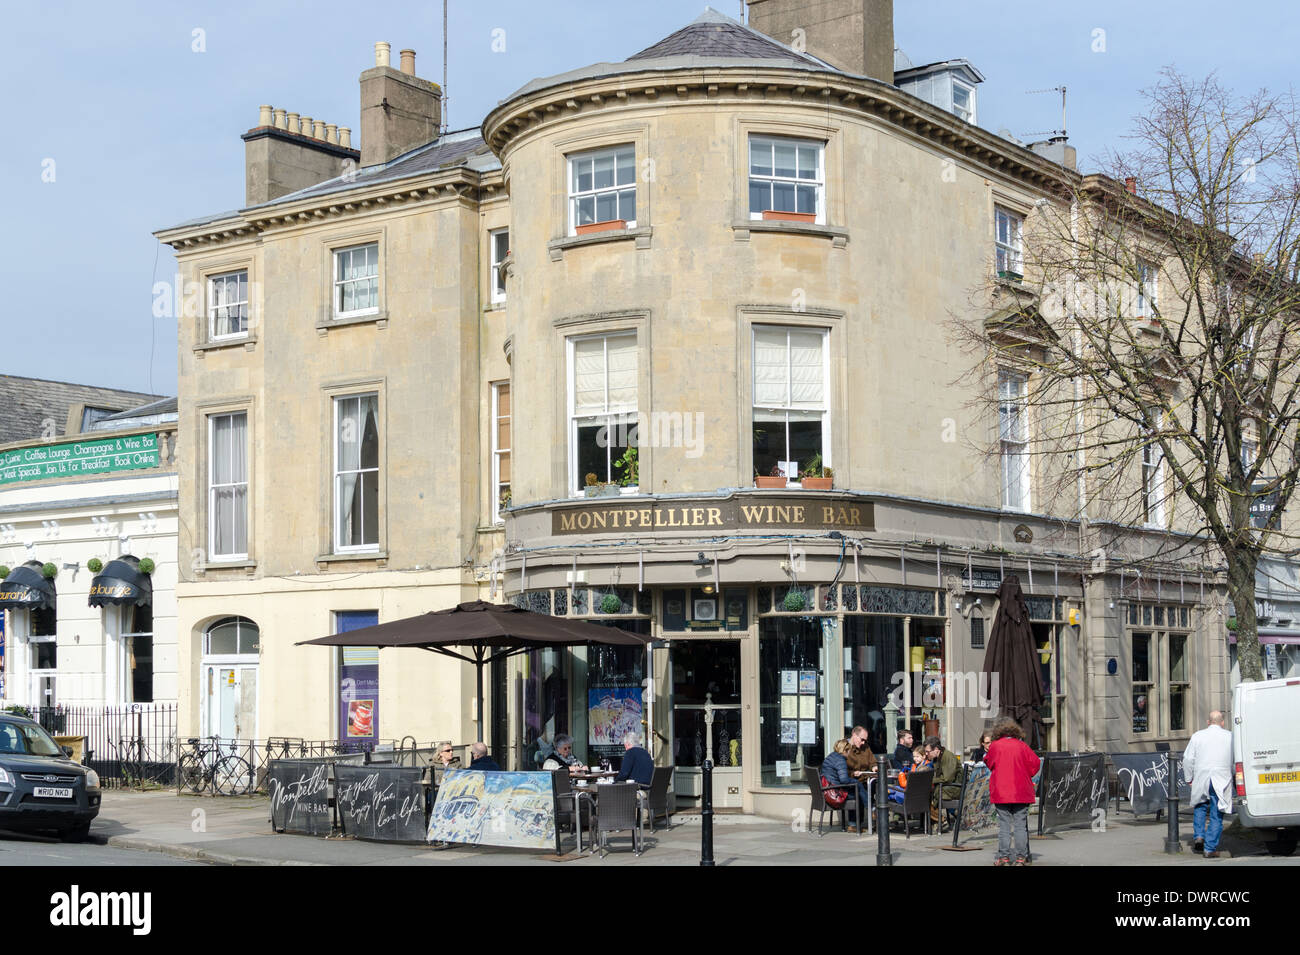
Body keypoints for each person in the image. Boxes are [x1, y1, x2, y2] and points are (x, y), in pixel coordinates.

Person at [984, 716, 1040, 866]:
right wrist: (1027, 774)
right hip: (1021, 791)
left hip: (1001, 791)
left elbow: (989, 763)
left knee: (1004, 825)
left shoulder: (995, 746)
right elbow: (1035, 764)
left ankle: (1004, 857)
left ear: (998, 731)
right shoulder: (1022, 745)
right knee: (1020, 825)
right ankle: (1021, 858)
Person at [1183, 710, 1233, 858]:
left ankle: (1199, 835)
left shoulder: (1197, 736)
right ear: (1222, 722)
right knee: (1217, 813)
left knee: (1200, 805)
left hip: (1202, 776)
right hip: (1221, 777)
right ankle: (1210, 847)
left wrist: (1188, 778)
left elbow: (1187, 759)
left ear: (1208, 722)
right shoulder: (1230, 736)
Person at [822, 739, 870, 830]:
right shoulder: (840, 760)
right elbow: (844, 780)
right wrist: (856, 782)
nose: (849, 754)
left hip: (827, 791)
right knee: (858, 791)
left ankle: (856, 821)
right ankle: (867, 812)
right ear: (845, 751)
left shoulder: (831, 756)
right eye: (849, 751)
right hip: (834, 794)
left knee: (856, 788)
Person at [924, 736, 962, 826]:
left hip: (955, 788)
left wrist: (930, 780)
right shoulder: (938, 757)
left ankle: (941, 820)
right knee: (924, 795)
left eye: (928, 751)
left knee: (929, 796)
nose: (926, 754)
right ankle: (941, 819)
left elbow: (947, 778)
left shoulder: (948, 757)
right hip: (946, 787)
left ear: (936, 749)